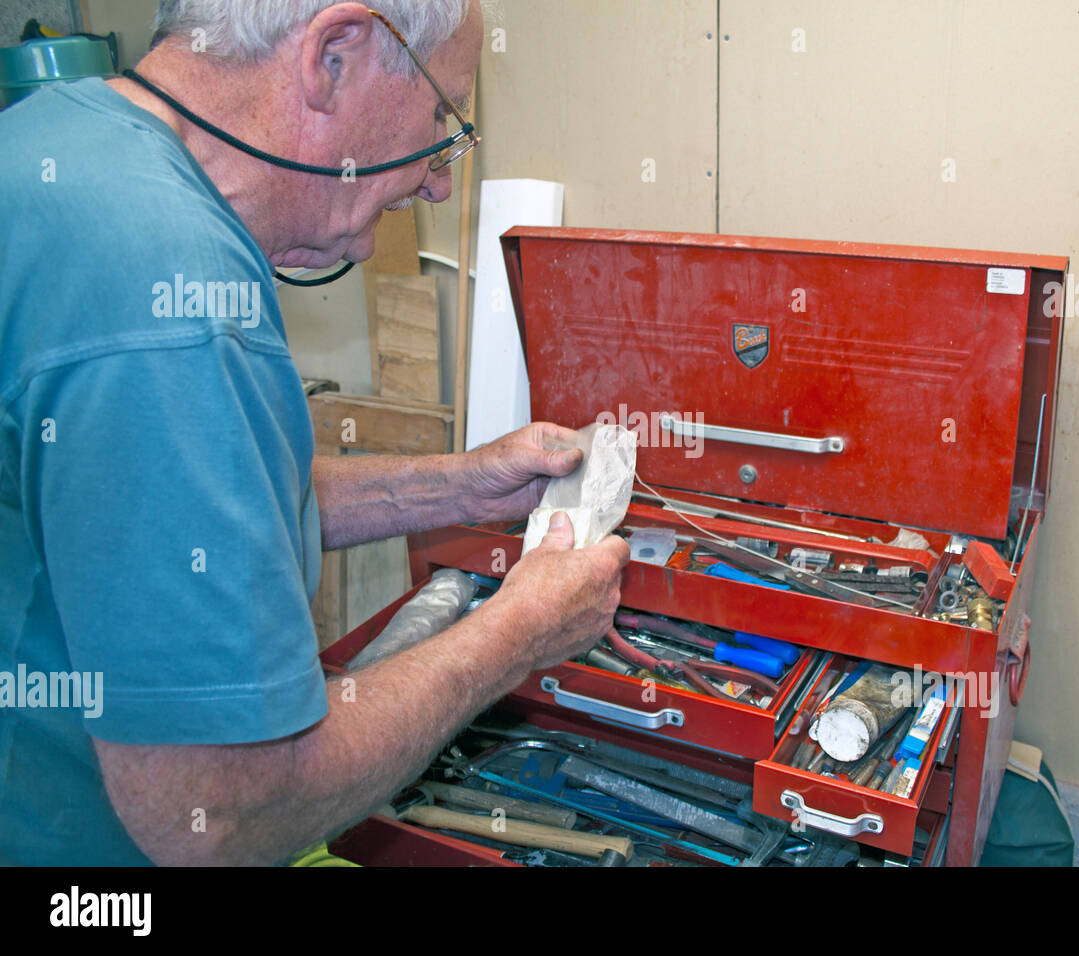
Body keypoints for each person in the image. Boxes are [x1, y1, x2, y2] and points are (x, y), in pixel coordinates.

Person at [0, 0, 629, 865]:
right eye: (444, 115)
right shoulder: (169, 291)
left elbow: (196, 505)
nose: (440, 181)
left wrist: (464, 483)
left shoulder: (54, 139)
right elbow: (222, 816)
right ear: (334, 55)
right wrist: (521, 632)